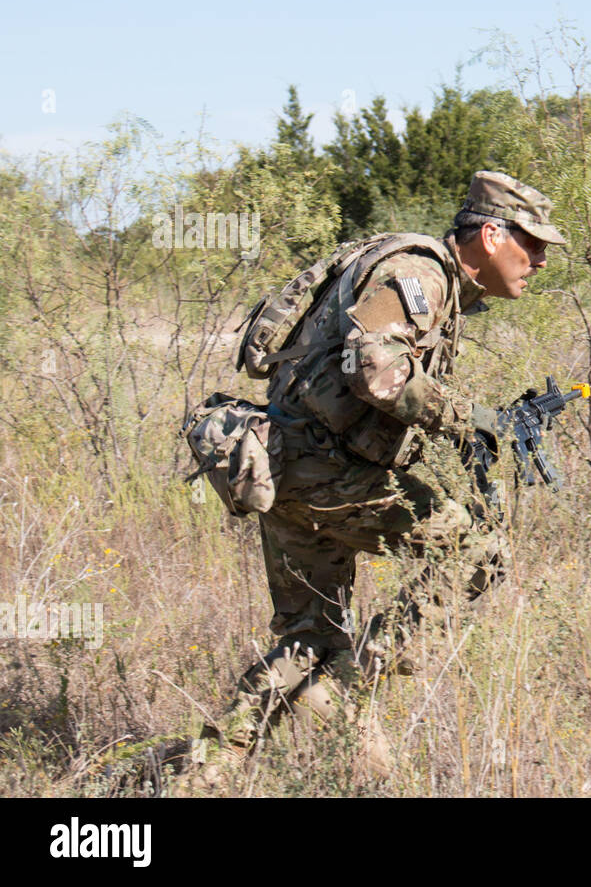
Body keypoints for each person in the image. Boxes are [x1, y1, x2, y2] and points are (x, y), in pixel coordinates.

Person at [179, 170, 564, 791]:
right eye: (533, 243)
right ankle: (351, 685)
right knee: (481, 550)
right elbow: (374, 369)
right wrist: (470, 422)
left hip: (284, 468)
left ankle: (204, 773)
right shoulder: (421, 273)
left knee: (311, 637)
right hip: (323, 471)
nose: (541, 260)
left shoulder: (419, 271)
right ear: (492, 235)